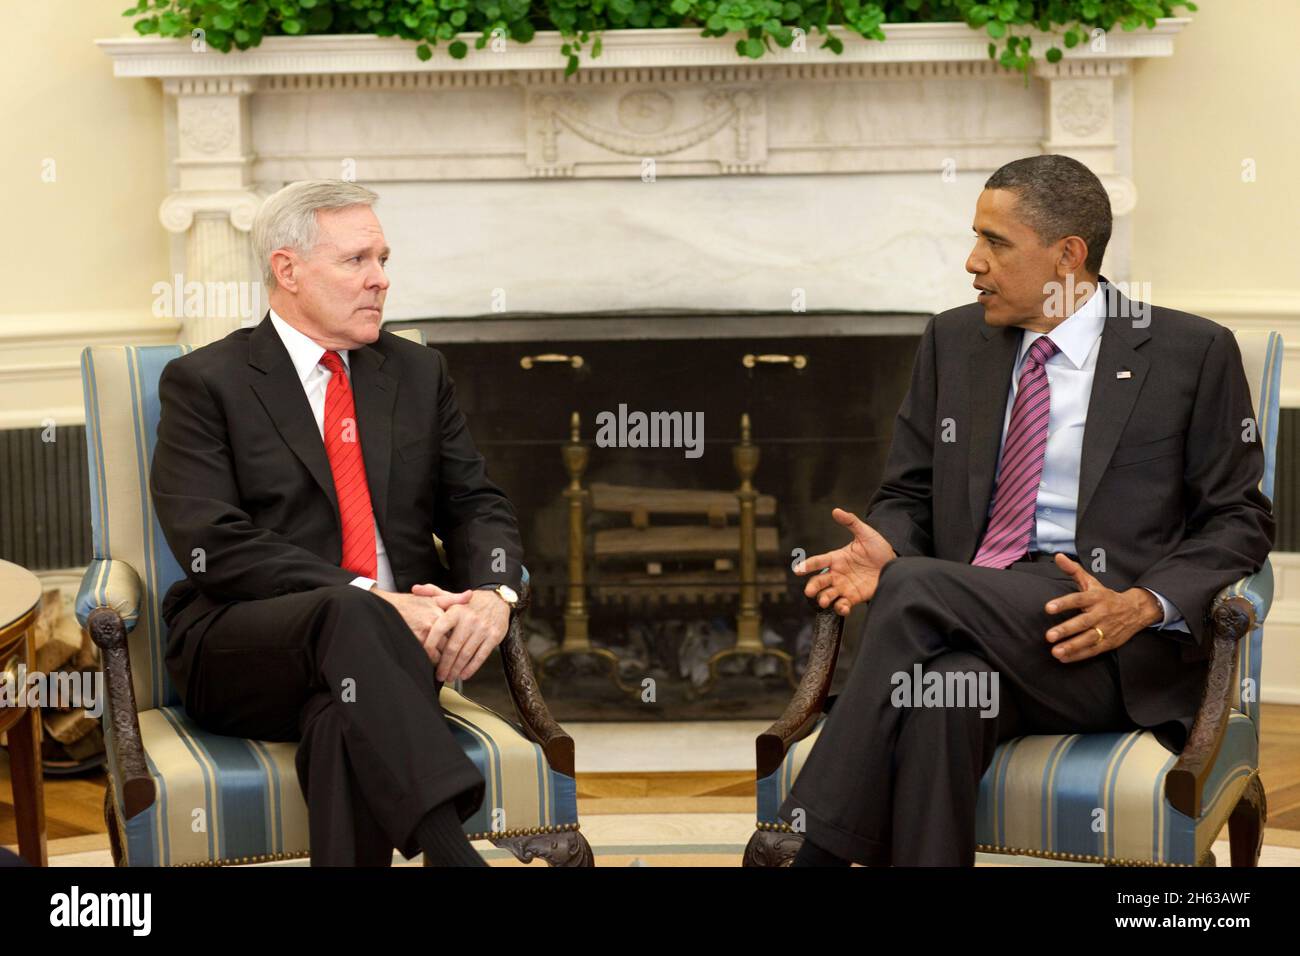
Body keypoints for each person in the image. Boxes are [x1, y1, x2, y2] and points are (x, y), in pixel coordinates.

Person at [780, 154, 1274, 867]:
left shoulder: (1188, 352)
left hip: (1099, 644)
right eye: (974, 238)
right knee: (941, 703)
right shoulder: (954, 342)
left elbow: (1239, 518)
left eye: (995, 242)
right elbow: (907, 494)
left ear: (1068, 256)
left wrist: (1143, 603)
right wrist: (885, 542)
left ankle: (808, 846)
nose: (972, 262)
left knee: (915, 586)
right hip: (967, 626)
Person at [151, 180, 524, 866]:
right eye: (357, 261)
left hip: (391, 659)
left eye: (383, 259)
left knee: (338, 721)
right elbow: (211, 542)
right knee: (351, 615)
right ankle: (453, 853)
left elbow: (477, 504)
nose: (380, 280)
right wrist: (372, 601)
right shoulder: (207, 382)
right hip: (241, 649)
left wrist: (493, 597)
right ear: (286, 270)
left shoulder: (416, 372)